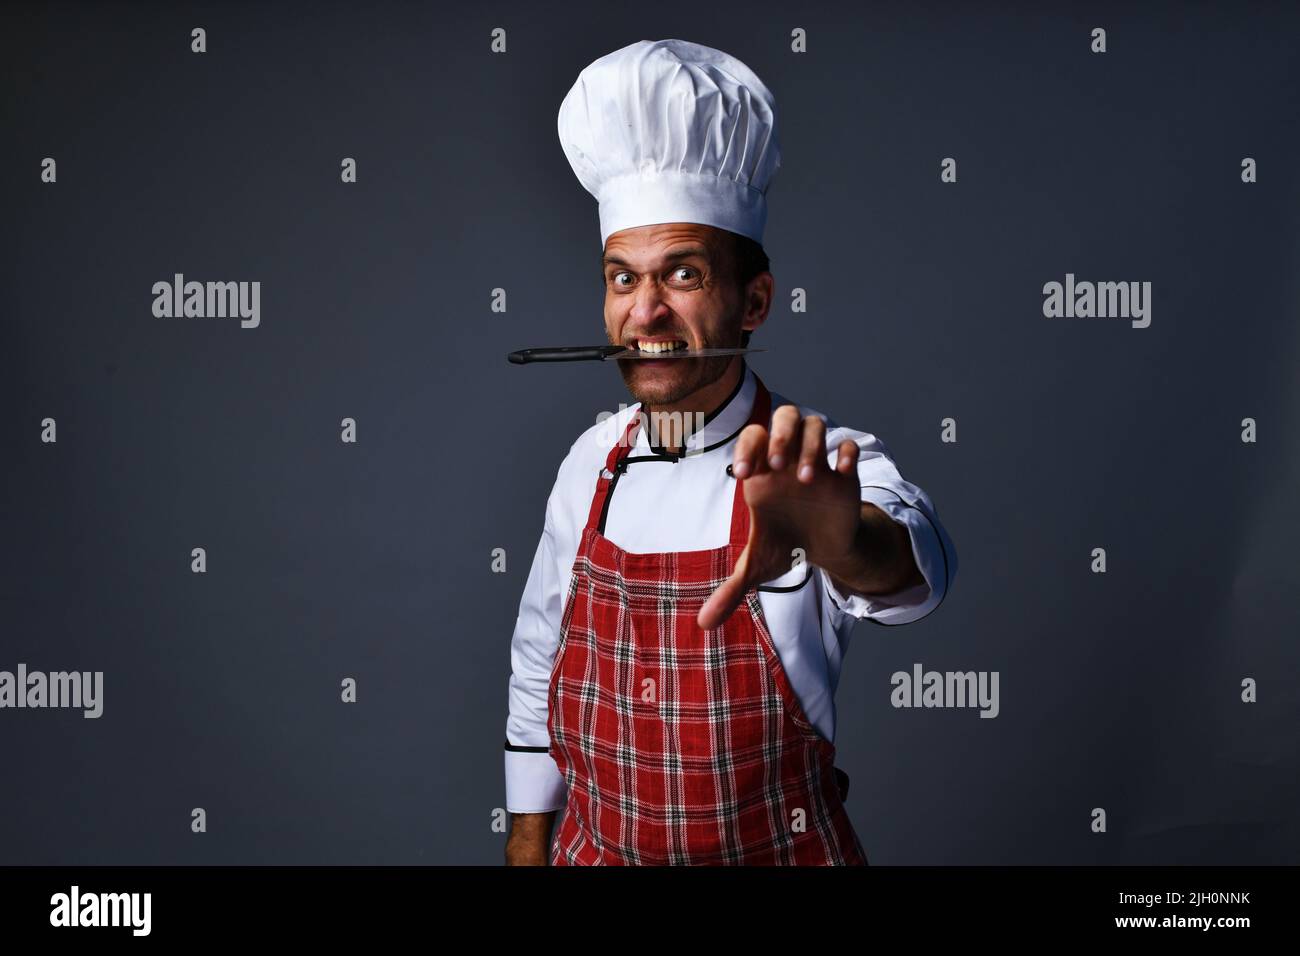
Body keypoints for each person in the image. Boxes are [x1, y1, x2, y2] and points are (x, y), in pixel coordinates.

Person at [503, 38, 957, 865]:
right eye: (620, 277)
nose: (644, 315)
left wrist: (842, 541)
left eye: (681, 276)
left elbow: (916, 575)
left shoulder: (821, 461)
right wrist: (529, 841)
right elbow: (539, 657)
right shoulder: (588, 465)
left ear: (754, 301)